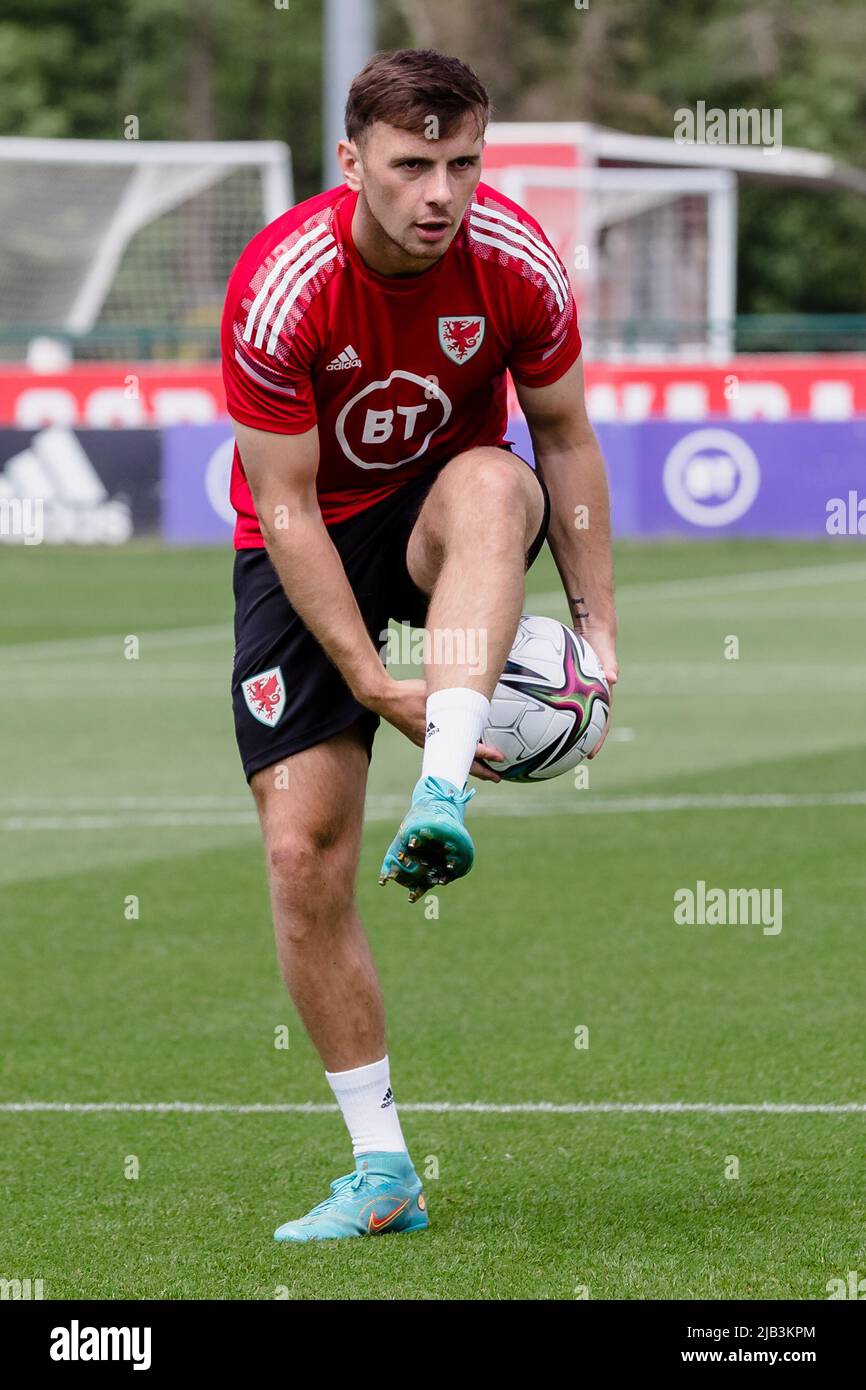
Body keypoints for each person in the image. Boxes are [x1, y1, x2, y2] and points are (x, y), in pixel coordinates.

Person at [221, 47, 618, 1242]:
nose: (440, 193)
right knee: (300, 855)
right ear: (351, 163)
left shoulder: (515, 260)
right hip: (306, 537)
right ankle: (383, 1168)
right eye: (409, 167)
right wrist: (369, 680)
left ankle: (443, 787)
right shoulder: (282, 285)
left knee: (495, 481)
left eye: (462, 164)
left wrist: (598, 632)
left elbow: (565, 439)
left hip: (444, 515)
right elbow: (284, 508)